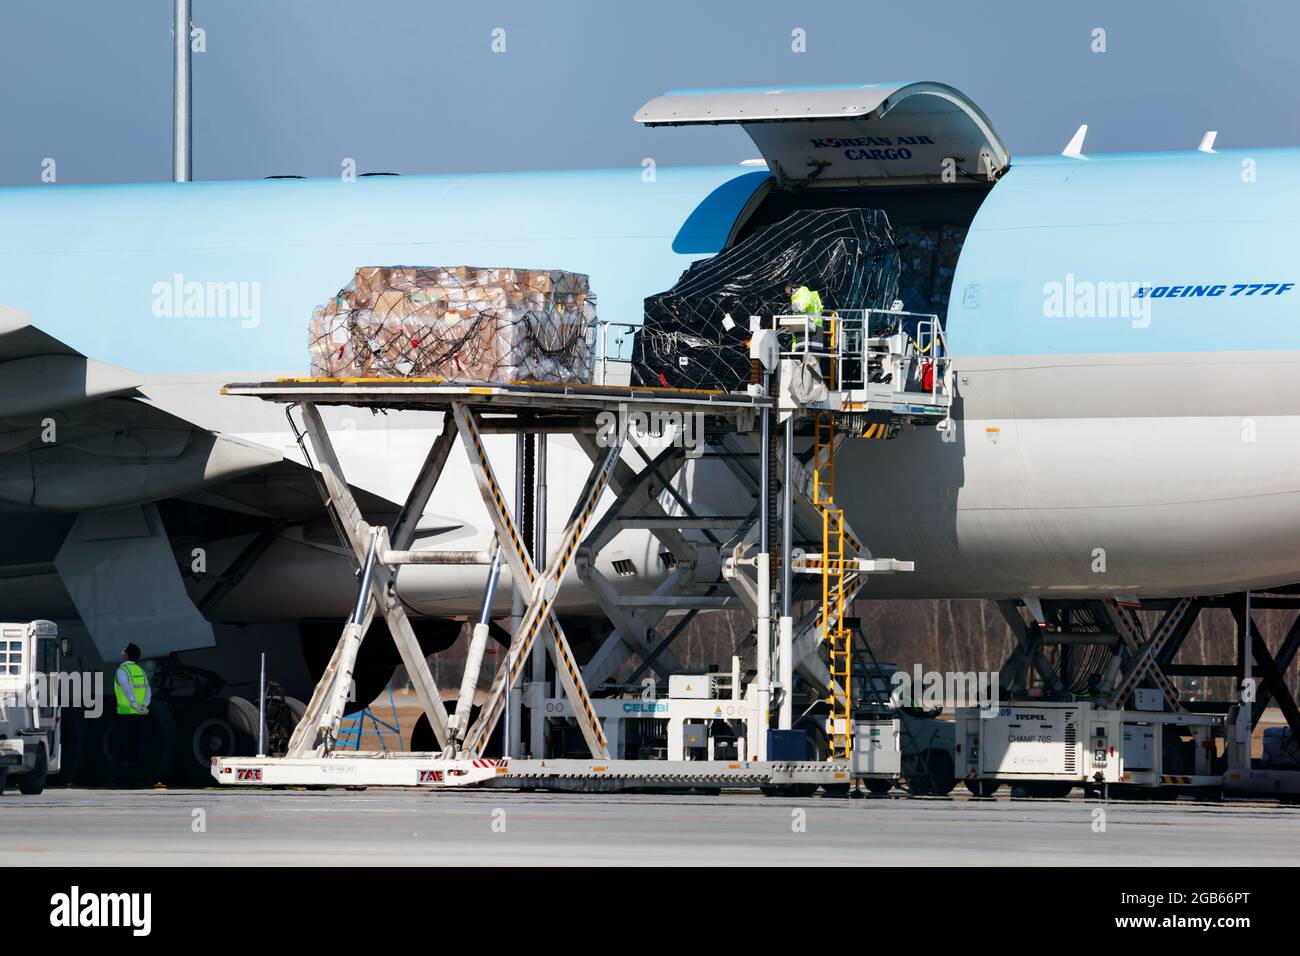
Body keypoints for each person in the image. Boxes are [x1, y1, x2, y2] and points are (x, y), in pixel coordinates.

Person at [114, 643, 151, 782]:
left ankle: (123, 778)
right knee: (137, 746)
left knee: (123, 746)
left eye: (124, 651)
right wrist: (144, 706)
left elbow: (126, 688)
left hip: (125, 713)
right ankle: (136, 778)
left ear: (127, 655)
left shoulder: (122, 670)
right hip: (140, 714)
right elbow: (147, 690)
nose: (122, 652)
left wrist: (134, 704)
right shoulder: (140, 671)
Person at [785, 284, 825, 352]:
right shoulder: (799, 296)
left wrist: (791, 308)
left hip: (812, 330)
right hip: (806, 331)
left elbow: (802, 306)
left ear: (793, 289)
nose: (788, 296)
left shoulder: (804, 293)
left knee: (809, 357)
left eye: (788, 294)